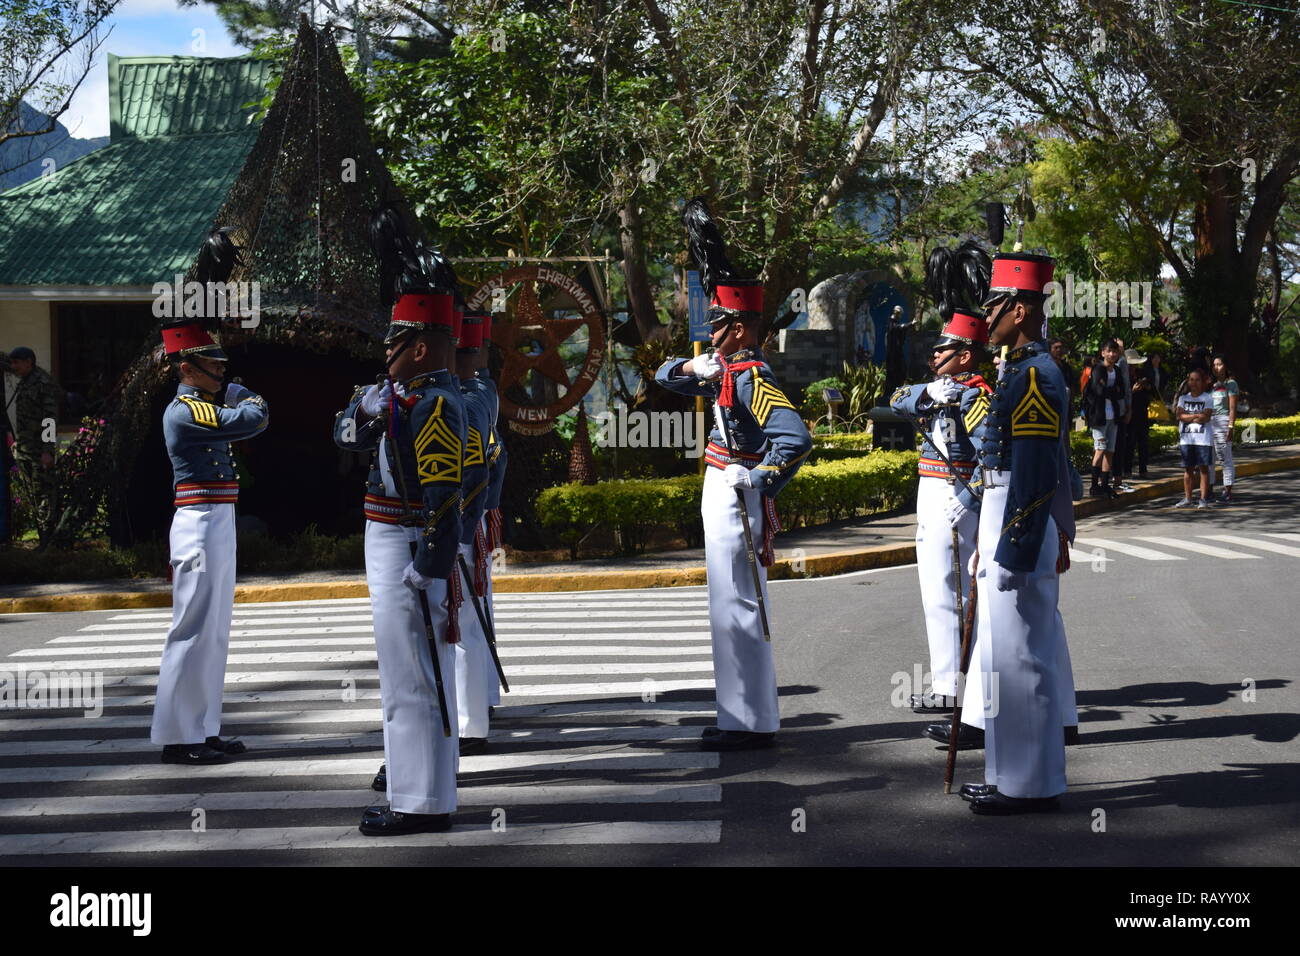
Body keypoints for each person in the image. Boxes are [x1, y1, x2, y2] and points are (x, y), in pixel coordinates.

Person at [655, 197, 812, 752]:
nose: (711, 331)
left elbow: (795, 438)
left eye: (720, 325)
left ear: (742, 329)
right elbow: (662, 376)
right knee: (728, 605)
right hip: (722, 490)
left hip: (737, 492)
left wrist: (761, 478)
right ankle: (743, 716)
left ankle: (750, 722)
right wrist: (691, 366)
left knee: (740, 606)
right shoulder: (724, 370)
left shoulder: (748, 375)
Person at [958, 250, 1076, 815]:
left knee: (1022, 659)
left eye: (996, 308)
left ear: (1021, 311)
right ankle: (1010, 775)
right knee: (1002, 658)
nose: (988, 319)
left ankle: (1032, 785)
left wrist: (1015, 546)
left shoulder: (1035, 373)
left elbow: (1034, 470)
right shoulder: (1021, 365)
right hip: (1003, 515)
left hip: (1017, 520)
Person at [151, 315, 269, 764]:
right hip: (198, 521)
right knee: (193, 627)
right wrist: (246, 395)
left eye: (220, 366)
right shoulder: (187, 409)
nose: (221, 373)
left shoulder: (201, 402)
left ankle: (204, 726)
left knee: (215, 628)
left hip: (216, 517)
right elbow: (251, 420)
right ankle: (180, 737)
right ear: (186, 368)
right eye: (211, 366)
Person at [453, 310, 497, 755]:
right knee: (470, 618)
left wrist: (463, 529)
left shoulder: (467, 398)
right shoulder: (475, 392)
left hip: (461, 519)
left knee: (462, 623)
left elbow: (478, 467)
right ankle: (475, 710)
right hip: (467, 518)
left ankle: (470, 723)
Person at [1, 346, 62, 507]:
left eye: (16, 363)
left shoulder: (42, 383)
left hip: (39, 453)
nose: (13, 367)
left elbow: (49, 419)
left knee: (45, 501)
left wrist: (48, 451)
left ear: (29, 362)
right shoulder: (25, 382)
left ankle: (50, 532)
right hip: (25, 451)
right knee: (34, 500)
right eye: (12, 363)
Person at [1082, 340, 1125, 498]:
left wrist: (1110, 390)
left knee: (1110, 451)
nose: (1112, 354)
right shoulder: (1098, 369)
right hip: (1099, 416)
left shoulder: (1117, 371)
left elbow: (1121, 392)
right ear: (1103, 353)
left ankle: (1105, 485)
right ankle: (1094, 486)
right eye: (1109, 351)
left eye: (1115, 351)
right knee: (1100, 449)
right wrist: (1113, 390)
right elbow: (1099, 390)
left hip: (1113, 416)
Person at [1174, 368, 1215, 509]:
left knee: (1203, 469)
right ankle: (1188, 498)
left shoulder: (1207, 398)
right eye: (1191, 379)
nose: (1194, 383)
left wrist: (1188, 416)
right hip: (1187, 439)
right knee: (1188, 470)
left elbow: (1206, 417)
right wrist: (1195, 416)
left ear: (1203, 382)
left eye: (1197, 380)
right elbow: (1179, 416)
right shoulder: (1183, 398)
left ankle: (1203, 499)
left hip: (1203, 439)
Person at [1210, 354, 1240, 503]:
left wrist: (1230, 427)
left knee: (1224, 458)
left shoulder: (1231, 384)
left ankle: (1227, 490)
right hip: (1210, 422)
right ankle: (1208, 491)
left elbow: (1233, 408)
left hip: (1223, 421)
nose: (1216, 367)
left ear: (1226, 366)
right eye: (1214, 365)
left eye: (1219, 364)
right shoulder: (1212, 385)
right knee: (1209, 458)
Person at [1122, 348, 1152, 479]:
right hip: (1129, 413)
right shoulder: (1123, 375)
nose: (1133, 367)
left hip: (1142, 412)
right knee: (1129, 442)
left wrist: (1146, 386)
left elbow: (1152, 390)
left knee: (1143, 442)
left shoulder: (1141, 373)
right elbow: (1121, 394)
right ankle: (1127, 469)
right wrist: (1132, 391)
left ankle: (1143, 469)